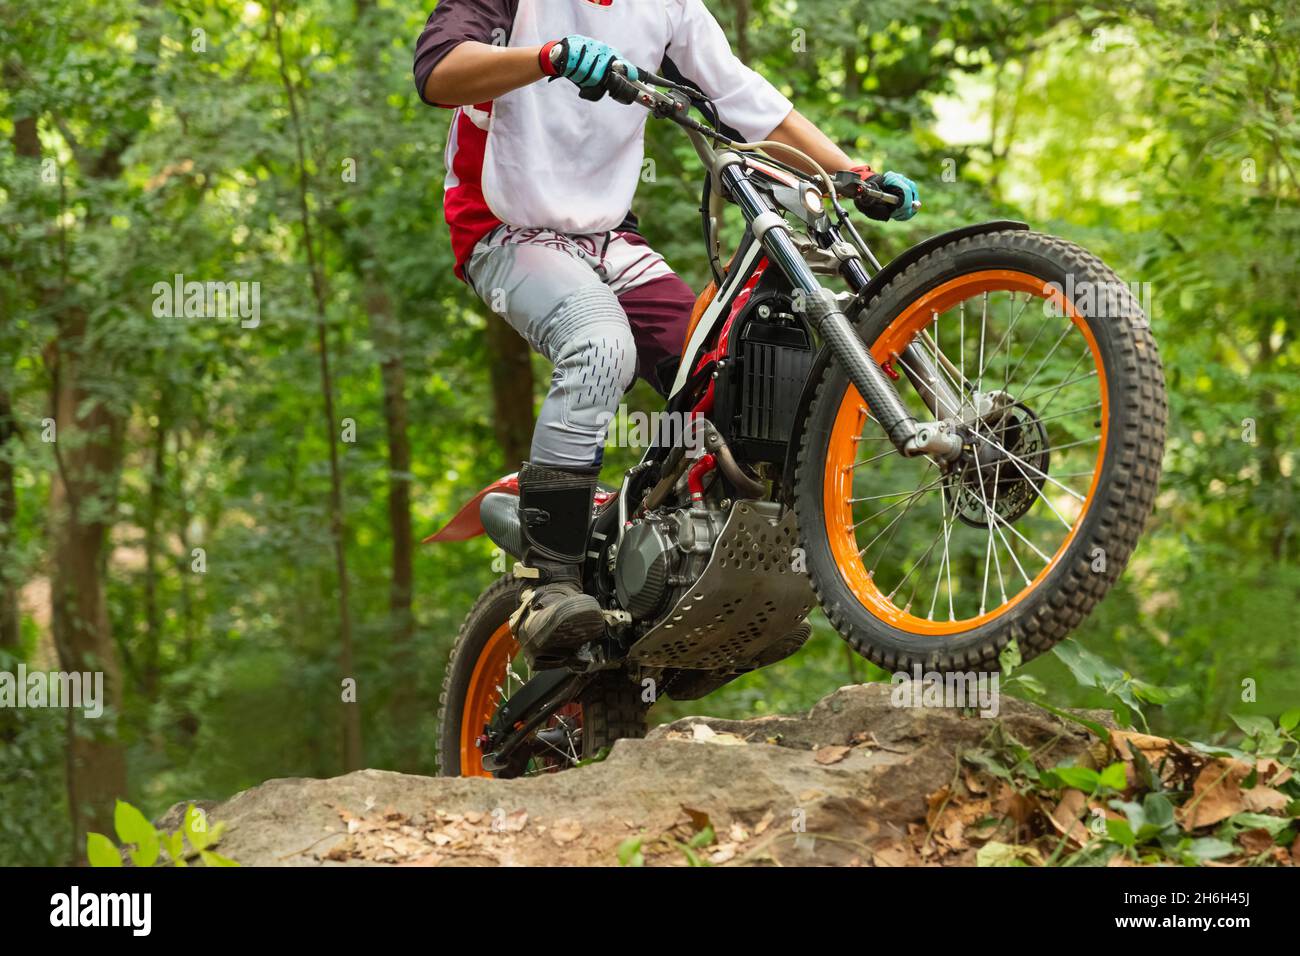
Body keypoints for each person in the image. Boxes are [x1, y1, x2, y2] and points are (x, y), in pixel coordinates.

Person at [414, 0, 919, 662]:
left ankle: (676, 572)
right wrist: (548, 57)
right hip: (502, 228)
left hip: (607, 233)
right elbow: (438, 72)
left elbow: (743, 97)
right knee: (599, 349)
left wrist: (850, 174)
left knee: (729, 375)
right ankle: (547, 585)